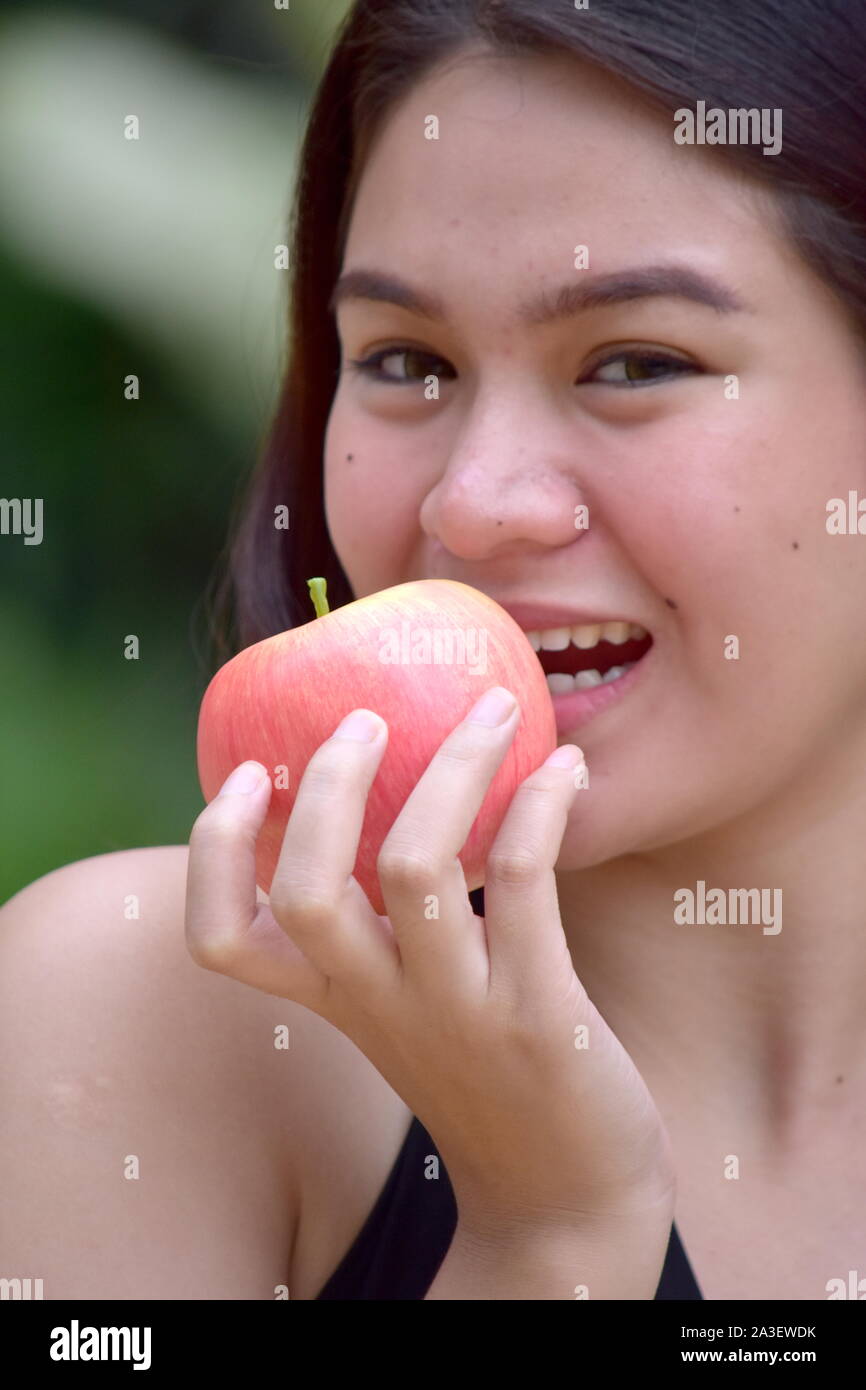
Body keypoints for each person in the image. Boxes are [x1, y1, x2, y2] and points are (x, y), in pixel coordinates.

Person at [3, 0, 866, 1300]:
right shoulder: (142, 1017)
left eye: (633, 361)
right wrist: (547, 1234)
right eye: (405, 360)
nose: (470, 501)